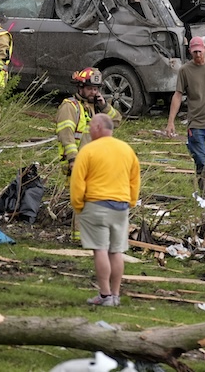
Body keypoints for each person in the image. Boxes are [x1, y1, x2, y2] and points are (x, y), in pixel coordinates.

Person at [70, 113, 140, 307]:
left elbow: (78, 181)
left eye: (91, 126)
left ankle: (105, 294)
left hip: (96, 205)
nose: (89, 130)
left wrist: (78, 205)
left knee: (100, 249)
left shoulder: (88, 150)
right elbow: (135, 179)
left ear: (98, 128)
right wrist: (131, 201)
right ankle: (115, 295)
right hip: (121, 206)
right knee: (116, 251)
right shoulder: (126, 150)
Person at [164, 36, 205, 194]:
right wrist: (170, 122)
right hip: (196, 124)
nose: (198, 54)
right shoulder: (185, 70)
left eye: (200, 51)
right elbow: (178, 95)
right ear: (190, 52)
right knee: (201, 161)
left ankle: (203, 177)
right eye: (194, 52)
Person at [56, 67, 123, 171]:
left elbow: (116, 121)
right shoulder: (70, 106)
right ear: (80, 87)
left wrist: (104, 106)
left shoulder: (98, 107)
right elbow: (66, 135)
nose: (93, 92)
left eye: (95, 89)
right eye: (89, 89)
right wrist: (73, 159)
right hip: (79, 163)